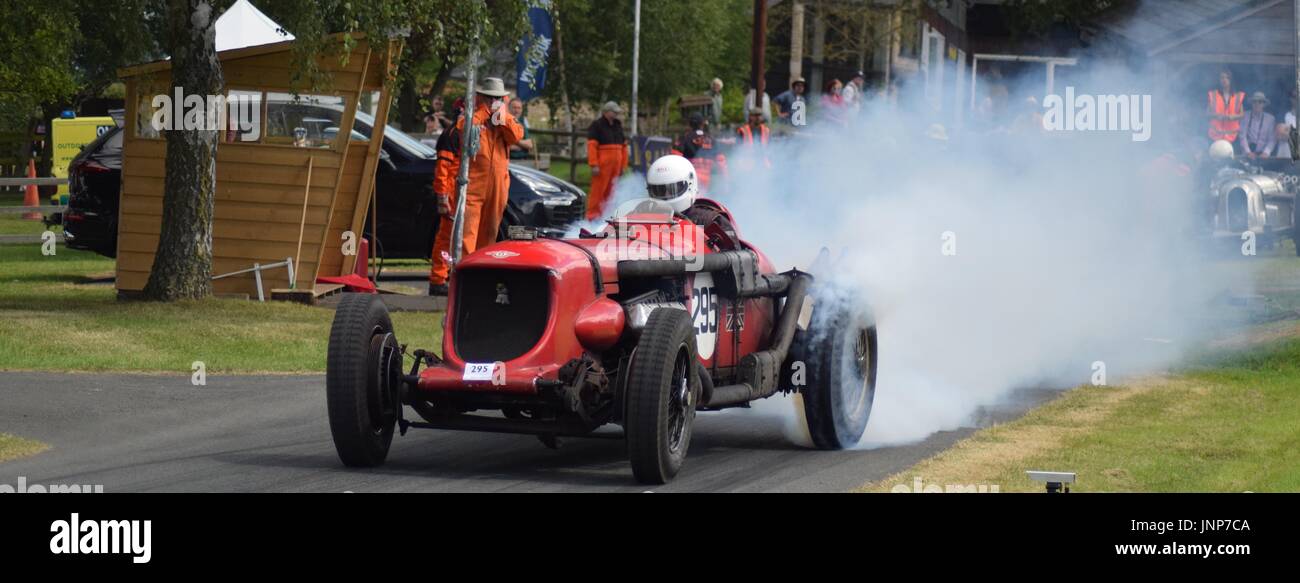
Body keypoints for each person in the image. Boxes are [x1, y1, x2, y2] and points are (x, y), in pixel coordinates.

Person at [427, 78, 524, 295]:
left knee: (488, 236)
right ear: (481, 98)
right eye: (491, 97)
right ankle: (463, 280)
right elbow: (448, 159)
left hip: (497, 189)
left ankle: (480, 279)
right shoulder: (468, 122)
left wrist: (503, 118)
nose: (494, 101)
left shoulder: (504, 122)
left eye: (498, 98)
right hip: (471, 188)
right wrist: (443, 193)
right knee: (465, 238)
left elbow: (517, 135)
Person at [645, 154, 737, 247]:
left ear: (690, 184)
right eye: (659, 190)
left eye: (672, 189)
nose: (666, 195)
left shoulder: (710, 221)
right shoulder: (643, 219)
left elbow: (736, 257)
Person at [585, 101, 629, 220]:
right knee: (598, 192)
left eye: (616, 112)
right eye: (614, 112)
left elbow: (624, 147)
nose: (616, 114)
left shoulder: (618, 125)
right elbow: (591, 146)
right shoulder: (597, 125)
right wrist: (594, 164)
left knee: (612, 192)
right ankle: (592, 217)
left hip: (616, 166)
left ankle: (606, 216)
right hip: (602, 165)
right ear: (606, 111)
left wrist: (623, 166)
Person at [674, 113, 726, 193]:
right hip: (707, 180)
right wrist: (725, 180)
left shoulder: (685, 138)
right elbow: (721, 161)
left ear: (690, 125)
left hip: (690, 179)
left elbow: (675, 158)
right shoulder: (711, 139)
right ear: (702, 124)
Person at [1207, 69, 1245, 145]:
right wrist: (1217, 116)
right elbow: (1207, 113)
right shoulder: (1213, 94)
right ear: (1219, 80)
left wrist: (1233, 117)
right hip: (1215, 135)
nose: (1224, 80)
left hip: (1232, 136)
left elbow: (1242, 115)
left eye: (1227, 78)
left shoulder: (1237, 96)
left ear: (1231, 80)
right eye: (1222, 77)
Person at [1239, 92, 1276, 159]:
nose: (1257, 104)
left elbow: (1272, 139)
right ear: (1251, 103)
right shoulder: (1244, 116)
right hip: (1246, 154)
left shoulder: (1270, 119)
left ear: (1264, 104)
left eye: (1260, 102)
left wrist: (1266, 152)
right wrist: (1248, 152)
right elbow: (1242, 136)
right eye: (1254, 101)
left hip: (1263, 155)